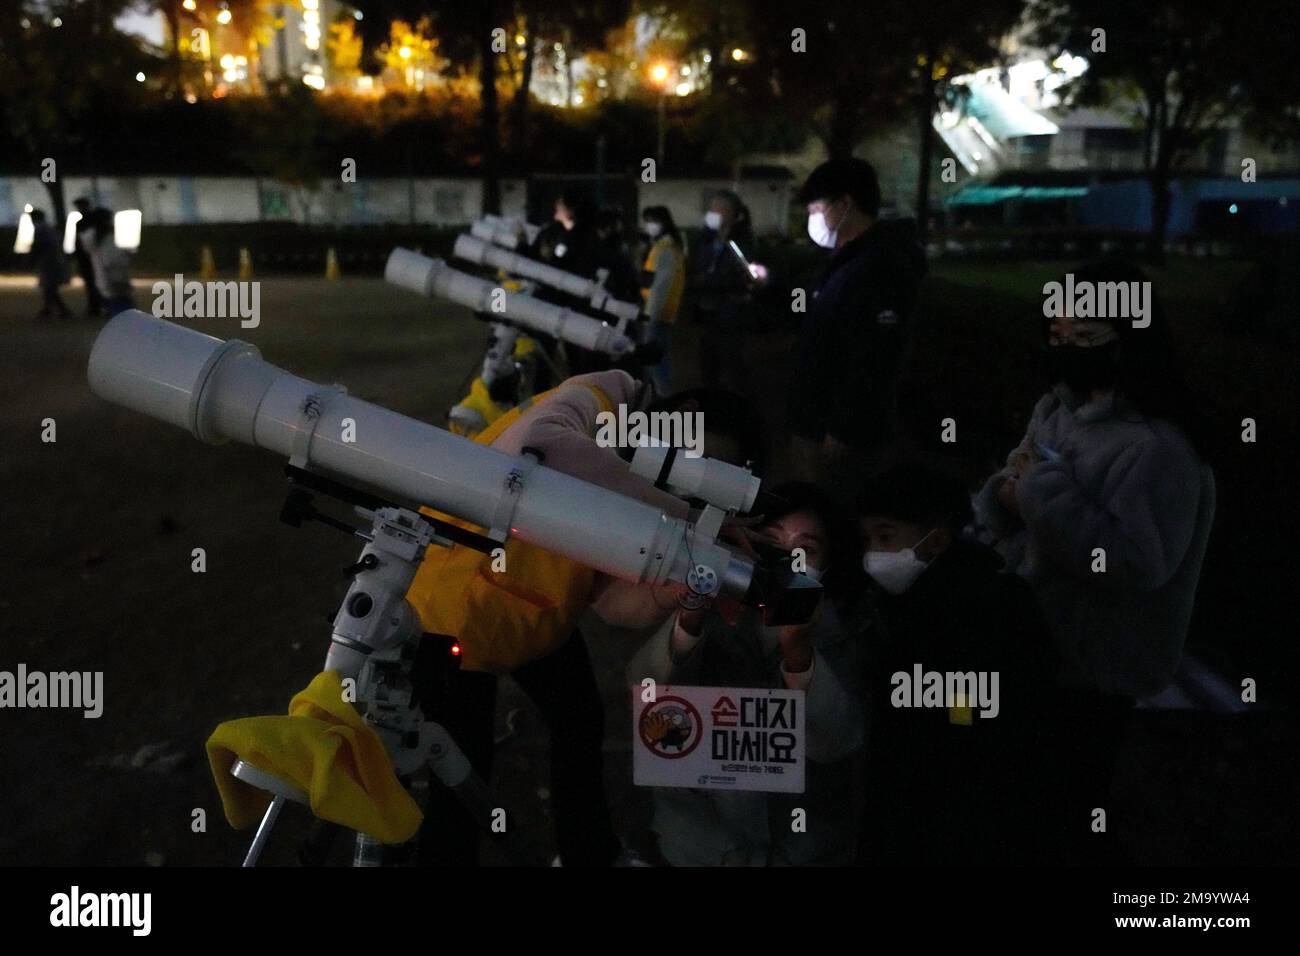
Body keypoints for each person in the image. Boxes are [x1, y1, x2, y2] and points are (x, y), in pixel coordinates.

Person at [408, 372, 765, 866]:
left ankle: (588, 853)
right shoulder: (605, 395)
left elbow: (611, 603)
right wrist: (680, 518)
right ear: (678, 410)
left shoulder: (641, 482)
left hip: (528, 611)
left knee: (578, 720)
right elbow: (541, 446)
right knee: (460, 778)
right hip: (448, 612)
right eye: (692, 455)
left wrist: (682, 587)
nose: (689, 474)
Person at [972, 260, 1216, 859]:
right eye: (1058, 335)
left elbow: (1135, 564)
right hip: (1032, 642)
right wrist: (1007, 497)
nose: (1067, 348)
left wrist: (1039, 494)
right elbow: (1015, 482)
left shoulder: (1157, 447)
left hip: (1091, 664)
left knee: (1064, 806)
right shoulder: (1057, 408)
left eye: (1084, 337)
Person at [628, 481, 870, 866]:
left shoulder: (840, 635)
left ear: (828, 567)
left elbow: (837, 742)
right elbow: (646, 692)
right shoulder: (711, 610)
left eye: (806, 550)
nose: (786, 560)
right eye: (772, 541)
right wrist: (690, 621)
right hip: (699, 848)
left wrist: (798, 655)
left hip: (802, 852)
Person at [855, 461, 1064, 865]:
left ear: (936, 538)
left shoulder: (984, 608)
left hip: (960, 813)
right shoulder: (893, 605)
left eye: (885, 536)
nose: (874, 553)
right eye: (868, 539)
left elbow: (974, 717)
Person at [787, 158, 927, 496]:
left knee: (834, 515)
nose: (813, 218)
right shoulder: (847, 261)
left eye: (816, 208)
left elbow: (877, 357)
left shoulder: (881, 266)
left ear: (845, 204)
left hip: (839, 434)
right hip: (816, 421)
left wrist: (845, 428)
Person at [689, 190, 765, 391]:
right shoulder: (706, 240)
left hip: (731, 316)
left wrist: (709, 280)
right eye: (711, 208)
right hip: (708, 314)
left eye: (718, 208)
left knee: (734, 370)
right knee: (707, 369)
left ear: (732, 213)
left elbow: (744, 276)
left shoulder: (742, 242)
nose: (712, 212)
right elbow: (696, 267)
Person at [638, 206, 686, 395]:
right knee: (659, 360)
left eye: (651, 221)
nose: (648, 226)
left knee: (655, 361)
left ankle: (666, 399)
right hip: (660, 312)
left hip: (658, 313)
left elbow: (659, 288)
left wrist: (650, 317)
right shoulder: (664, 246)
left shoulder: (665, 249)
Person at [86, 207, 134, 317]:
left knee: (116, 310)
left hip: (104, 280)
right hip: (116, 279)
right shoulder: (108, 239)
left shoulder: (92, 238)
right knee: (125, 314)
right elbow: (115, 260)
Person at [28, 209, 72, 320]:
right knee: (50, 287)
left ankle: (56, 310)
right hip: (53, 260)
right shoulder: (48, 228)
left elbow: (39, 245)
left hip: (48, 261)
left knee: (49, 287)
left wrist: (31, 259)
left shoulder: (40, 229)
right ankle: (52, 309)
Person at [72, 197, 105, 318]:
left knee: (91, 282)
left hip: (87, 257)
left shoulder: (82, 223)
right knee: (97, 281)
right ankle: (99, 305)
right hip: (95, 256)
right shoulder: (96, 221)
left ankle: (95, 306)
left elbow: (79, 241)